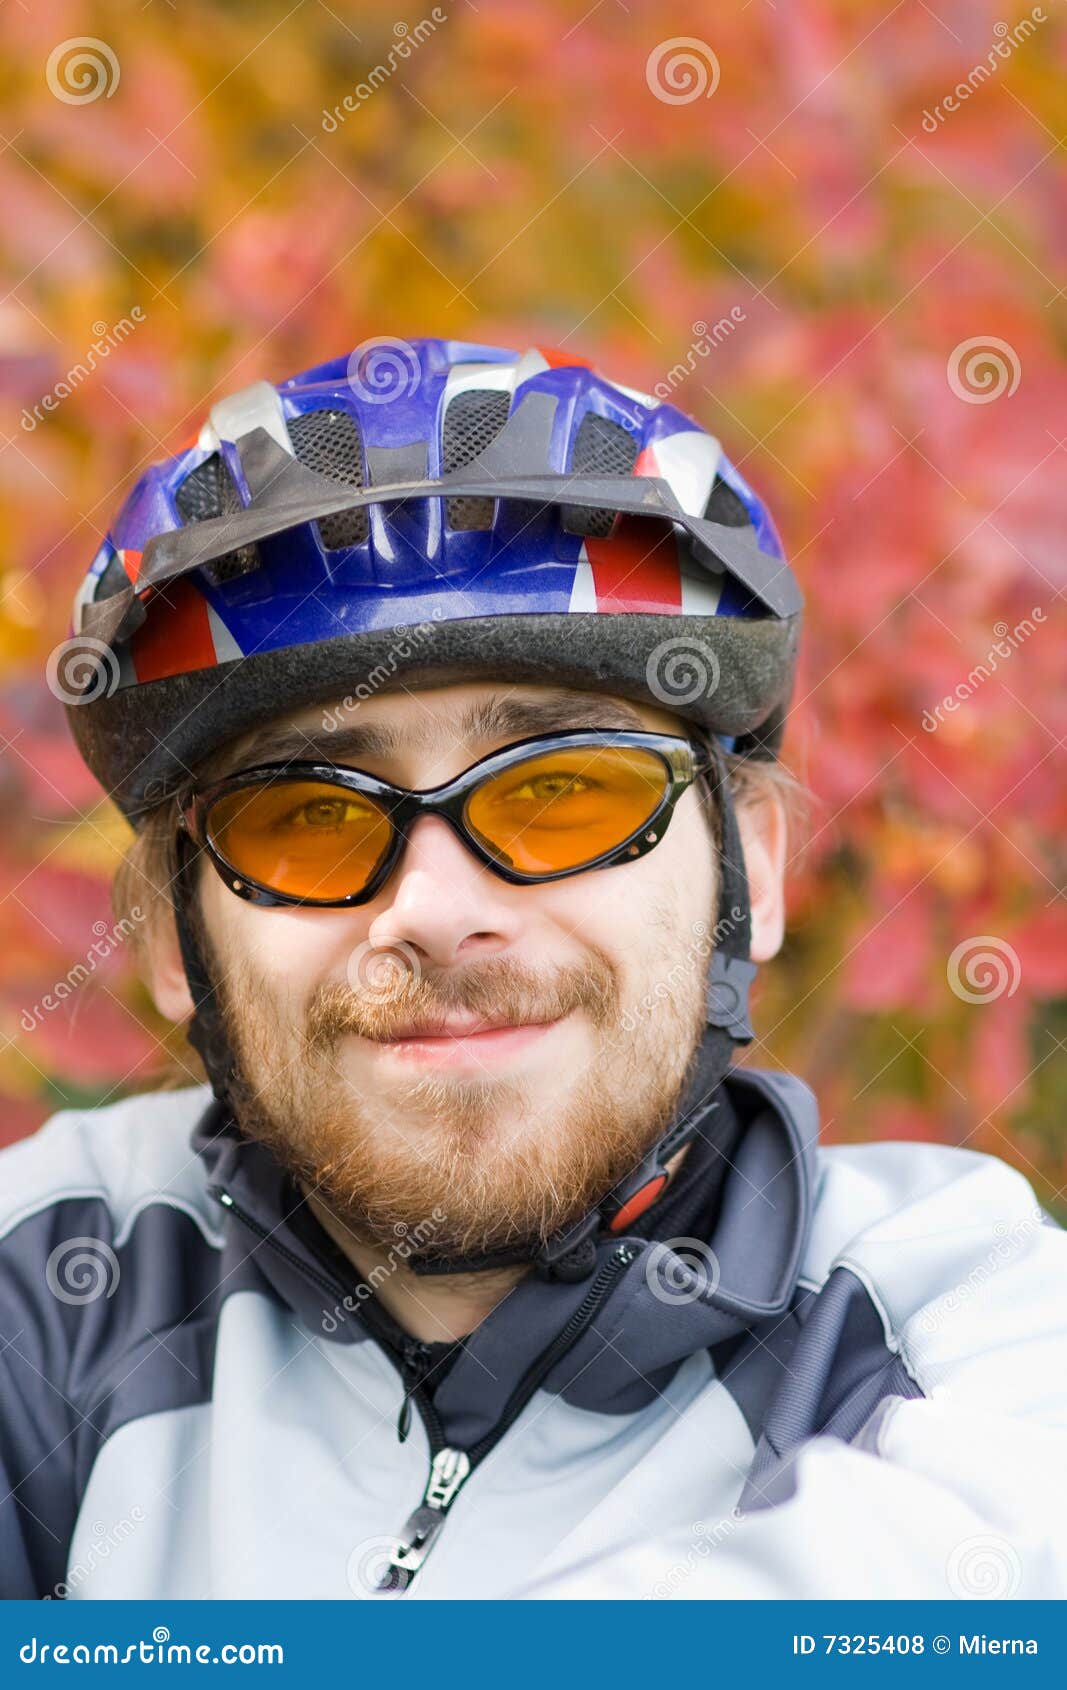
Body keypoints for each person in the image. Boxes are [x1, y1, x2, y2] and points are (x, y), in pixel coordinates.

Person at [2, 337, 1064, 1601]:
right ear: (175, 939)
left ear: (756, 871)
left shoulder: (969, 1334)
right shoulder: (46, 1283)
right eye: (305, 816)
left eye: (563, 792)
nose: (438, 913)